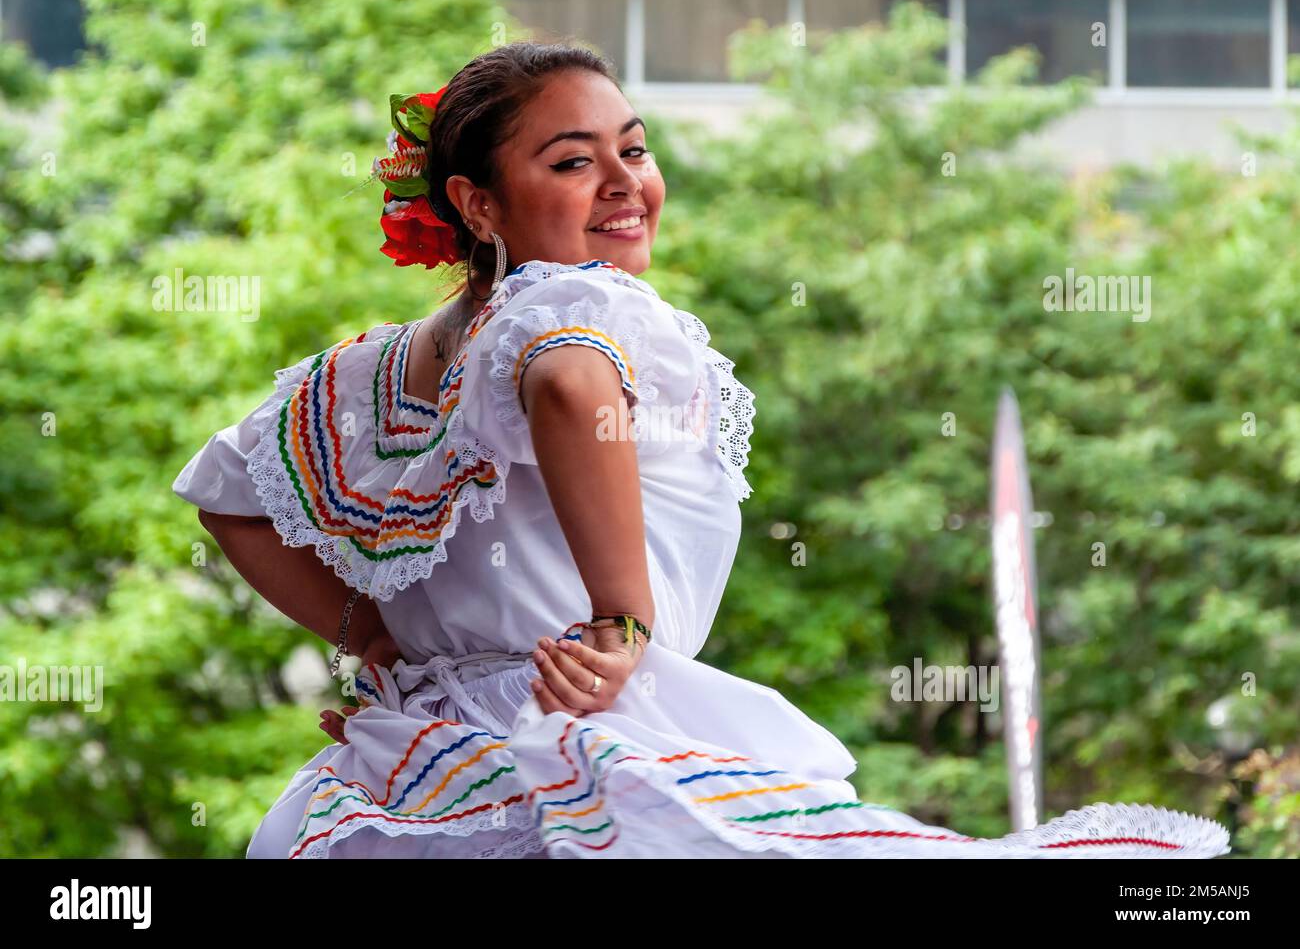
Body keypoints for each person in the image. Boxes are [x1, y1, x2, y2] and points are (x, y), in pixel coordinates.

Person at [171, 42, 1230, 859]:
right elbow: (574, 376)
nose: (624, 181)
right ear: (475, 203)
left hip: (412, 758)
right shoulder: (576, 301)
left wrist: (382, 642)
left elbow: (228, 492)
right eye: (571, 162)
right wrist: (622, 621)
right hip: (580, 729)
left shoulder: (382, 365)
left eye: (631, 148)